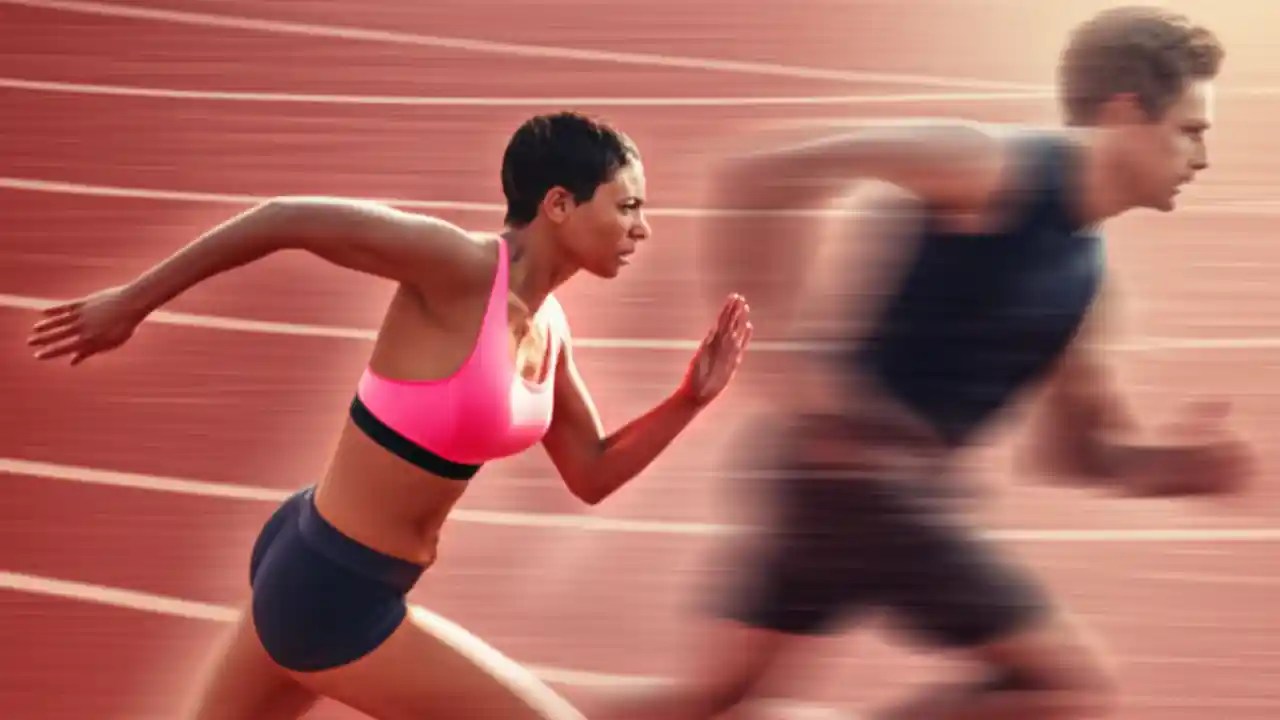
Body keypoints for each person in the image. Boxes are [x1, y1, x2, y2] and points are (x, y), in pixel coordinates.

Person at [596, 7, 1253, 720]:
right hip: (857, 483)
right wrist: (785, 363)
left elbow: (1076, 452)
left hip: (838, 489)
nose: (1202, 158)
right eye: (1191, 131)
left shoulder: (1089, 281)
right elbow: (762, 176)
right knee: (1065, 691)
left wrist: (1173, 466)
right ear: (1126, 111)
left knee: (711, 700)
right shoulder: (989, 164)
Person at [27, 111, 752, 720]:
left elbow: (590, 471)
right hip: (332, 595)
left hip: (320, 565)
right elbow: (286, 219)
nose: (643, 229)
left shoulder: (551, 329)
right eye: (627, 206)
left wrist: (689, 398)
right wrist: (131, 303)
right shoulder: (461, 269)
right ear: (559, 204)